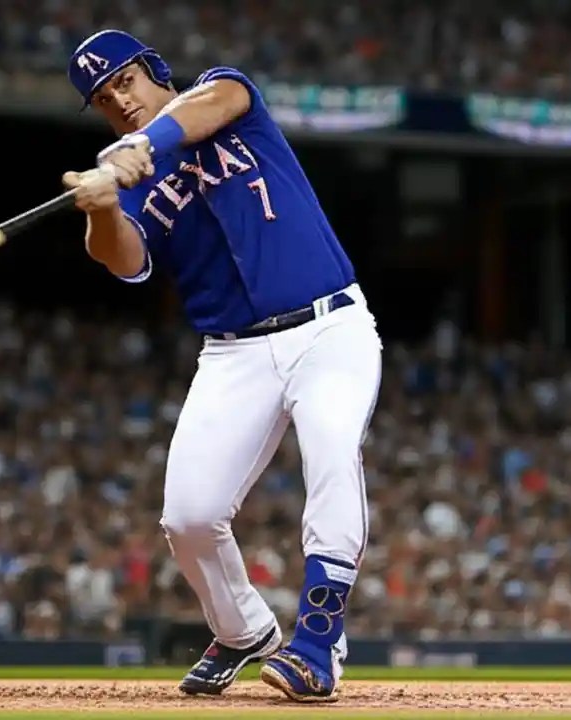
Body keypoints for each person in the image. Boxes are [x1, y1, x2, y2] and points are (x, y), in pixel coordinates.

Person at [62, 31, 382, 703]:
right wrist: (98, 213)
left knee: (330, 450)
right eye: (102, 98)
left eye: (125, 80)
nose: (118, 100)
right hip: (234, 352)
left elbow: (215, 102)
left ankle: (319, 644)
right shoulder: (120, 176)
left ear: (154, 69)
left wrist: (139, 148)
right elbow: (122, 260)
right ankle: (243, 632)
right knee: (189, 515)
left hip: (329, 327)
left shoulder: (222, 94)